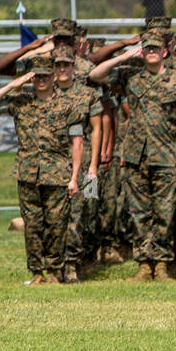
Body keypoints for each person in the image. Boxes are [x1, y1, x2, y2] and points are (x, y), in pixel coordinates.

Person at [89, 28, 176, 282]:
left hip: (166, 155)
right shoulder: (131, 78)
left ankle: (161, 265)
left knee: (165, 213)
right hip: (135, 155)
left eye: (155, 48)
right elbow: (96, 74)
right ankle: (144, 265)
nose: (150, 52)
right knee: (139, 213)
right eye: (147, 48)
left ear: (165, 52)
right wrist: (125, 57)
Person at [0, 55, 85, 285]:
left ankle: (55, 272)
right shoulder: (21, 102)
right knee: (33, 225)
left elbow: (77, 143)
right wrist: (13, 84)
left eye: (45, 76)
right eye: (36, 76)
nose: (41, 80)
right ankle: (37, 272)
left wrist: (75, 177)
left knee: (57, 225)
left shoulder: (68, 106)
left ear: (54, 76)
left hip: (58, 174)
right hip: (28, 173)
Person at [52, 46, 103, 282]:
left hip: (84, 164)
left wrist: (94, 166)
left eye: (66, 64)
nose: (62, 69)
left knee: (82, 215)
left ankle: (73, 264)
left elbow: (97, 129)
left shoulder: (87, 94)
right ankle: (56, 264)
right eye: (57, 64)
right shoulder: (46, 93)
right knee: (55, 217)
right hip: (52, 164)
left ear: (74, 66)